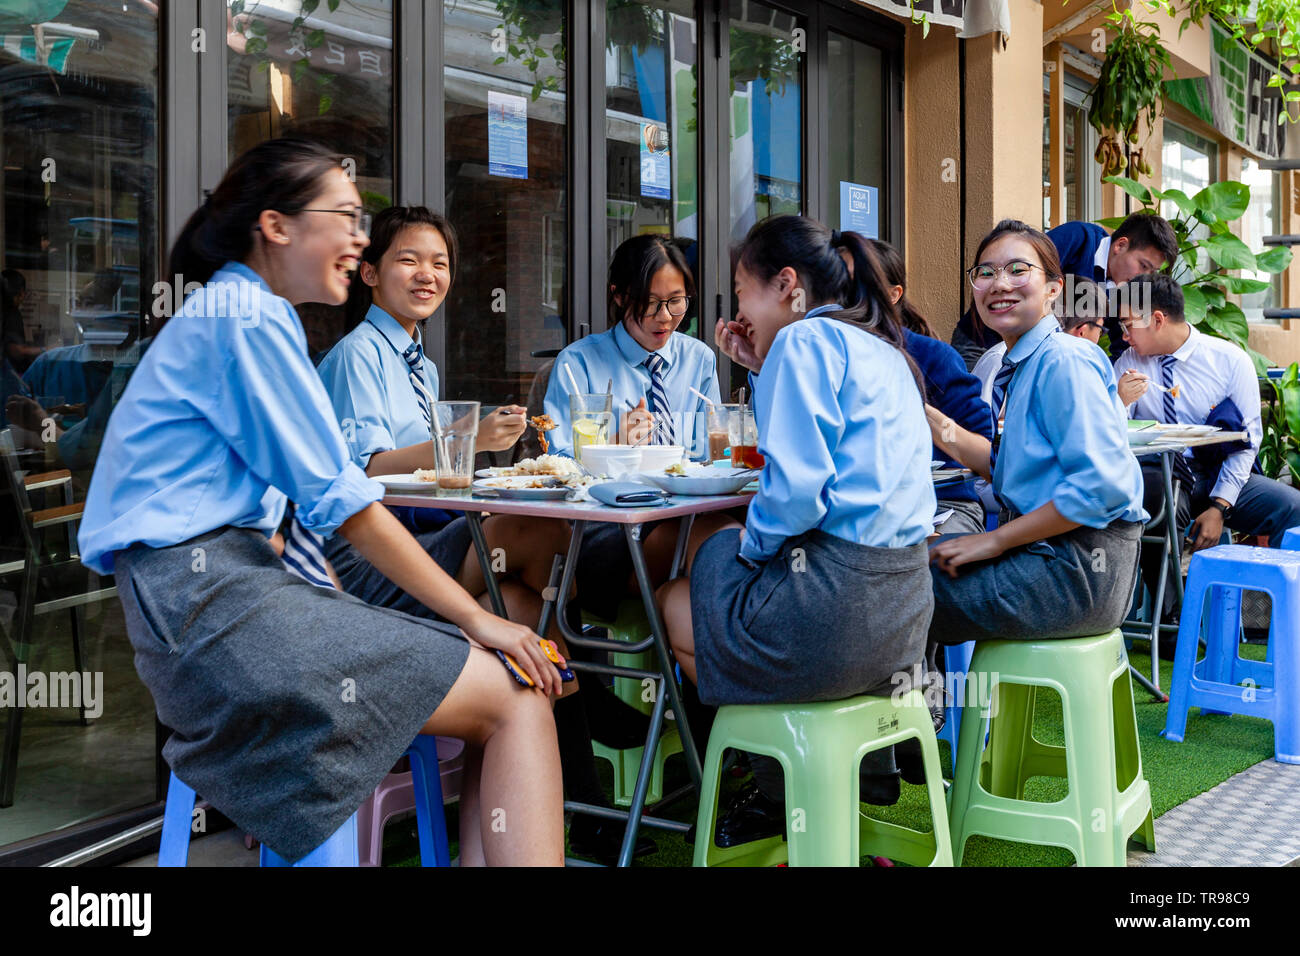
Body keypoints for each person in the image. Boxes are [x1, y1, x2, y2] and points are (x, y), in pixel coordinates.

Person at [76, 138, 563, 866]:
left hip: (199, 611)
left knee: (507, 667)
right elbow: (348, 503)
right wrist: (477, 617)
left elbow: (283, 519)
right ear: (277, 226)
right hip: (219, 614)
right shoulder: (247, 315)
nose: (360, 239)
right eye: (346, 216)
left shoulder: (233, 311)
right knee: (518, 691)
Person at [316, 204, 652, 862]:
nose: (427, 274)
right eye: (409, 260)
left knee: (526, 609)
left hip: (428, 539)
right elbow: (365, 473)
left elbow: (431, 472)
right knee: (537, 532)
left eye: (439, 263)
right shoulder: (358, 357)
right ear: (370, 273)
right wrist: (461, 442)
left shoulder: (418, 362)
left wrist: (468, 451)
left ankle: (571, 799)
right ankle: (590, 690)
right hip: (371, 563)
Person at [659, 216, 936, 847]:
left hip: (835, 615)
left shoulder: (804, 344)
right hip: (903, 621)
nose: (738, 311)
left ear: (785, 283)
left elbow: (797, 495)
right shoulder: (882, 348)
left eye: (740, 292)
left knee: (695, 574)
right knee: (726, 566)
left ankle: (782, 778)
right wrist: (761, 366)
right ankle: (848, 768)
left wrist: (747, 550)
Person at [926, 219, 1147, 650]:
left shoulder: (1062, 360)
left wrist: (991, 540)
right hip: (1054, 559)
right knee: (907, 564)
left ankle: (920, 709)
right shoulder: (1026, 360)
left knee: (891, 589)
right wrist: (924, 415)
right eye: (986, 273)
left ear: (1053, 288)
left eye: (1017, 270)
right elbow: (999, 464)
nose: (999, 284)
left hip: (1076, 572)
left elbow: (1102, 489)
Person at [544, 235, 728, 620]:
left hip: (685, 516)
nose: (664, 317)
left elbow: (713, 456)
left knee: (720, 536)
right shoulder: (578, 364)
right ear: (619, 295)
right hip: (607, 530)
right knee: (711, 537)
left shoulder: (698, 360)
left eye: (676, 301)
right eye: (649, 302)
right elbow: (557, 469)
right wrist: (613, 445)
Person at [1114, 273, 1300, 633]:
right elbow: (1110, 434)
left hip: (1220, 476)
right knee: (1155, 508)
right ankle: (1172, 621)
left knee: (1292, 508)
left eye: (1128, 324)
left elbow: (1246, 443)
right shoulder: (1128, 364)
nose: (1124, 335)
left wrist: (1219, 507)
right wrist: (1119, 401)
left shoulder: (1229, 360)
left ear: (1157, 319)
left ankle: (1282, 621)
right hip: (1165, 478)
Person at [873, 239, 991, 536]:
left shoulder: (933, 358)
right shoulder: (823, 356)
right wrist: (759, 366)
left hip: (945, 504)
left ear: (892, 295)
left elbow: (986, 448)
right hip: (862, 506)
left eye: (856, 287)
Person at [1048, 211, 1179, 359]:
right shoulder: (1078, 238)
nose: (1145, 277)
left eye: (1152, 271)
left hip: (1070, 361)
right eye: (1143, 265)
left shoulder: (1134, 287)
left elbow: (1127, 348)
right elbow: (1033, 280)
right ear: (1120, 245)